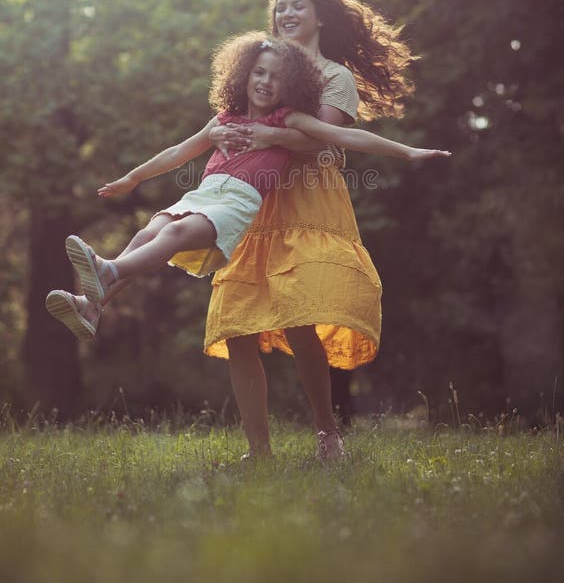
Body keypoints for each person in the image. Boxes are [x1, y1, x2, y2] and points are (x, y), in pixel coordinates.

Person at [46, 30, 449, 355]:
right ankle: (91, 307)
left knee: (175, 234)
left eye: (276, 77)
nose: (265, 82)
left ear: (290, 86)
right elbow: (177, 153)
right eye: (259, 73)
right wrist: (133, 178)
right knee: (148, 231)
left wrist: (407, 151)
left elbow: (345, 136)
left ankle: (110, 270)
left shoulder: (288, 120)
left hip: (236, 203)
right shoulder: (224, 119)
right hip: (203, 194)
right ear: (244, 75)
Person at [203, 0, 424, 460]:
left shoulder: (334, 77)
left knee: (300, 318)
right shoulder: (262, 68)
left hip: (307, 200)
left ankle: (327, 432)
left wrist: (269, 135)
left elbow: (317, 139)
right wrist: (223, 136)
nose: (286, 14)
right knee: (238, 325)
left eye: (297, 5)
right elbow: (230, 122)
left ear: (320, 16)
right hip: (252, 196)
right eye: (280, 6)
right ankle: (259, 451)